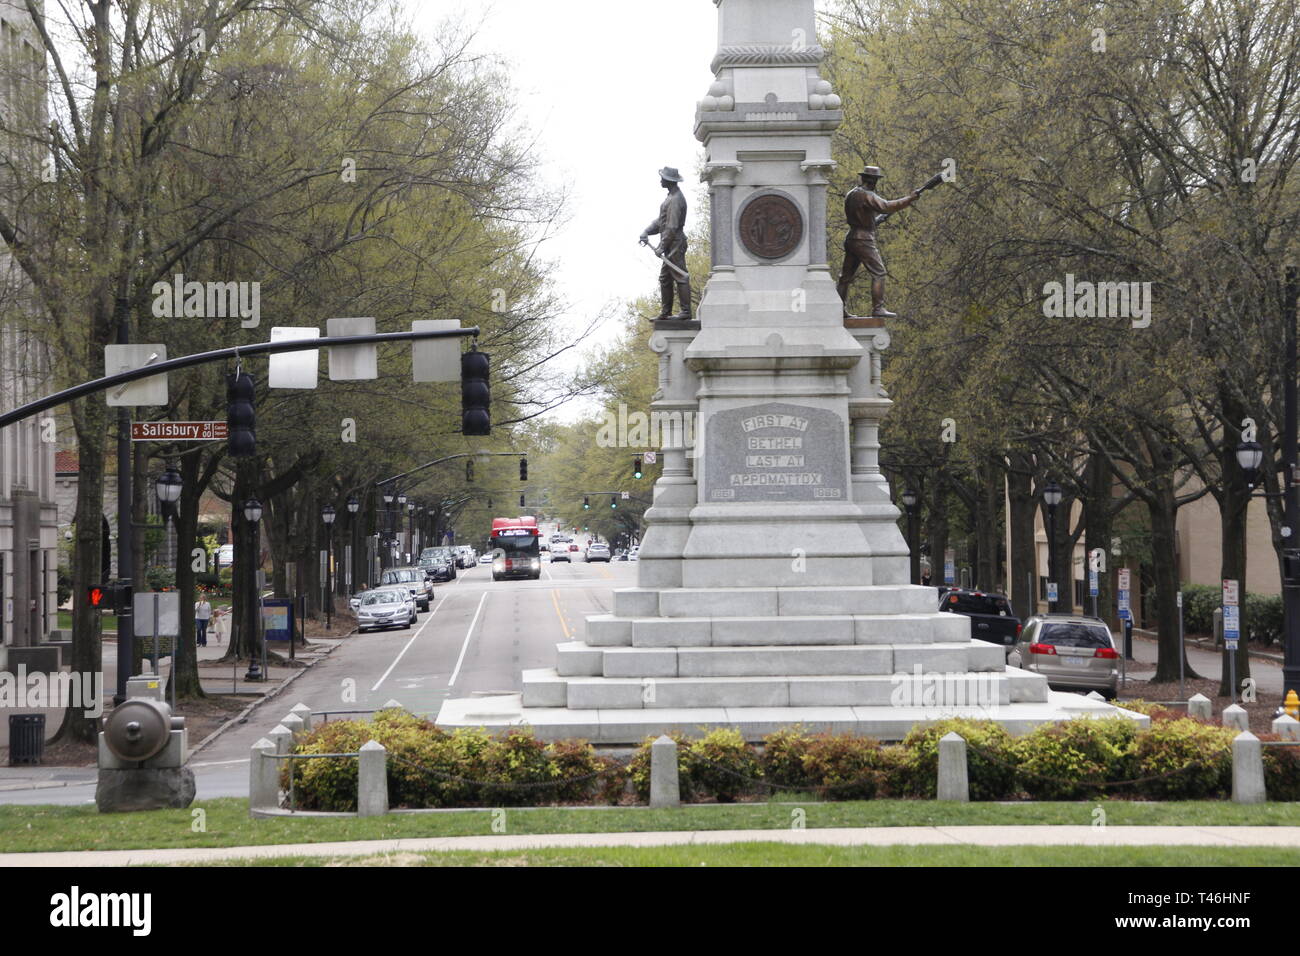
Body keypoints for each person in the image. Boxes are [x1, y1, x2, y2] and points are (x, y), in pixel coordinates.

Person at [836, 165, 920, 318]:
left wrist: (875, 221)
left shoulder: (851, 194)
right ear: (873, 181)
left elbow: (860, 217)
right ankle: (878, 308)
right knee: (879, 272)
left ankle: (838, 310)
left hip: (852, 237)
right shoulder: (867, 195)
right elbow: (886, 206)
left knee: (845, 277)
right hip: (864, 240)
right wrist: (909, 199)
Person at [639, 166, 691, 320]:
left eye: (662, 177)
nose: (660, 180)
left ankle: (686, 312)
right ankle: (666, 312)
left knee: (680, 275)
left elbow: (672, 226)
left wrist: (661, 247)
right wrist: (646, 231)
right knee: (665, 278)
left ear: (668, 180)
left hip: (674, 242)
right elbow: (662, 222)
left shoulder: (676, 200)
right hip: (670, 242)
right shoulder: (670, 197)